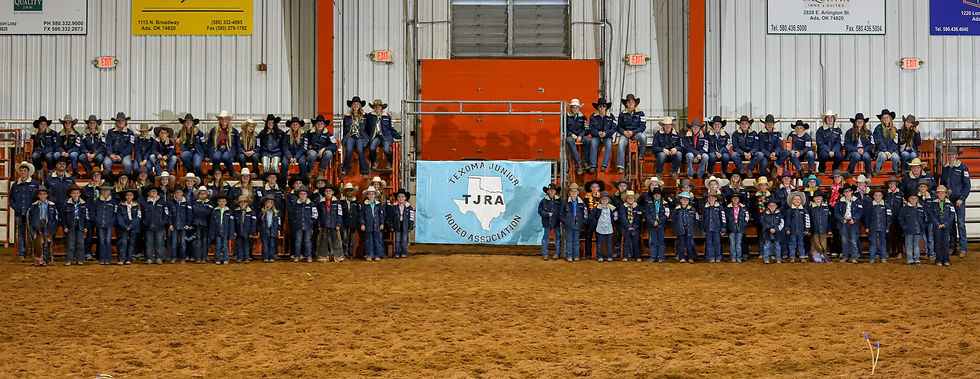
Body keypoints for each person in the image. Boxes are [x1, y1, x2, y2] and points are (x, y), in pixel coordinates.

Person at [940, 148, 971, 258]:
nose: (951, 156)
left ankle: (963, 248)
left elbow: (967, 186)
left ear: (956, 155)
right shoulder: (945, 168)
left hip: (959, 200)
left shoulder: (963, 168)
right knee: (951, 224)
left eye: (953, 154)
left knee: (961, 224)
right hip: (949, 200)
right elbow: (942, 184)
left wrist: (961, 198)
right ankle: (953, 246)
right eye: (949, 154)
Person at [11, 162, 40, 261]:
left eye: (25, 170)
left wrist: (34, 208)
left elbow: (40, 196)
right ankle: (22, 253)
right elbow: (11, 198)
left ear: (28, 172)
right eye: (21, 170)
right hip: (19, 212)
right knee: (21, 233)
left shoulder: (35, 184)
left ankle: (34, 252)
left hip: (31, 213)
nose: (23, 172)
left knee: (33, 233)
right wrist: (15, 207)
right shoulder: (15, 185)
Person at [27, 186, 59, 266]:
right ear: (38, 195)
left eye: (44, 194)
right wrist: (35, 228)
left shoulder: (52, 205)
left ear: (47, 195)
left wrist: (52, 228)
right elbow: (31, 218)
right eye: (40, 194)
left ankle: (48, 258)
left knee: (48, 241)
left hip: (48, 224)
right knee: (38, 241)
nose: (42, 196)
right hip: (38, 224)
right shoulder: (34, 206)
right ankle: (40, 258)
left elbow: (55, 218)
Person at [365, 99, 401, 170]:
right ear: (373, 107)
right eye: (375, 106)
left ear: (381, 107)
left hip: (386, 137)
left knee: (386, 150)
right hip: (375, 136)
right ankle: (374, 161)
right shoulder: (370, 116)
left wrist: (398, 136)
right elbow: (367, 128)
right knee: (372, 148)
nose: (377, 108)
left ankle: (390, 161)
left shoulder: (387, 116)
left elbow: (391, 128)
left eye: (379, 106)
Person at [616, 94, 646, 174]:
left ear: (635, 103)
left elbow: (642, 127)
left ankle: (641, 155)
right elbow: (619, 127)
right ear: (626, 104)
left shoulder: (641, 113)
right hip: (625, 134)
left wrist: (633, 132)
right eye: (629, 102)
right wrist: (623, 132)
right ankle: (620, 166)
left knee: (643, 137)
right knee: (620, 143)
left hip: (636, 133)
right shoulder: (622, 114)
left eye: (632, 102)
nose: (630, 103)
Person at [342, 96, 370, 177]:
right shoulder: (347, 116)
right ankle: (345, 169)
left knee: (360, 150)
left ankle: (364, 171)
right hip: (350, 136)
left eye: (357, 104)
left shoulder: (365, 116)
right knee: (349, 150)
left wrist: (367, 139)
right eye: (354, 104)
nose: (356, 106)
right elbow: (345, 129)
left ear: (360, 106)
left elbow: (368, 128)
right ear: (352, 106)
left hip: (360, 136)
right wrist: (344, 139)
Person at [835, 184, 863, 263]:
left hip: (853, 222)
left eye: (849, 191)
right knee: (844, 240)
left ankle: (854, 257)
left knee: (853, 240)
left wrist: (854, 219)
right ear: (843, 193)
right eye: (845, 192)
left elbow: (860, 211)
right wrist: (842, 219)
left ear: (852, 191)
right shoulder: (840, 202)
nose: (847, 193)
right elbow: (836, 212)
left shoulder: (857, 200)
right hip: (844, 222)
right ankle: (845, 256)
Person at [61, 185, 88, 265]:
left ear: (80, 194)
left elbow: (86, 217)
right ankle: (69, 260)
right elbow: (63, 217)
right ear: (70, 194)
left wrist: (86, 226)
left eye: (77, 193)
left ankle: (80, 259)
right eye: (73, 193)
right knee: (70, 243)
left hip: (81, 224)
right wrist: (65, 226)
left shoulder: (84, 204)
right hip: (70, 225)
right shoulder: (66, 204)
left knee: (80, 243)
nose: (75, 195)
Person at [587, 98, 616, 173]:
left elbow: (614, 128)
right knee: (593, 143)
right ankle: (593, 165)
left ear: (606, 107)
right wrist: (597, 133)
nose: (602, 108)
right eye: (600, 106)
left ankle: (604, 165)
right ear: (597, 107)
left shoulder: (611, 116)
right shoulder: (593, 117)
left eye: (604, 106)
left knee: (609, 144)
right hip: (596, 136)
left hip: (607, 136)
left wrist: (606, 133)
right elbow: (590, 129)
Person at [316, 184, 344, 262]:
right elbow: (318, 215)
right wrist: (319, 225)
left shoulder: (337, 202)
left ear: (333, 192)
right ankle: (323, 255)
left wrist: (338, 224)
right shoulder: (321, 203)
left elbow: (340, 214)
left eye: (330, 191)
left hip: (334, 223)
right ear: (324, 192)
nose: (328, 192)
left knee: (335, 239)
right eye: (326, 191)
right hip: (324, 223)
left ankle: (337, 255)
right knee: (323, 239)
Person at [899, 193, 927, 265]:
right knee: (909, 245)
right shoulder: (904, 209)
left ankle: (917, 259)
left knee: (917, 245)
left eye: (915, 198)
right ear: (909, 199)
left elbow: (925, 219)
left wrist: (922, 227)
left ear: (918, 199)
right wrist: (904, 227)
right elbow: (901, 219)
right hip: (908, 230)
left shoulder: (921, 208)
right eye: (912, 198)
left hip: (918, 230)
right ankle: (910, 259)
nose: (914, 200)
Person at [641, 188, 668, 263]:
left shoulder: (665, 204)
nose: (657, 196)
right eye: (655, 194)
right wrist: (652, 222)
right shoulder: (649, 204)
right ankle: (653, 257)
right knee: (653, 241)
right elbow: (647, 214)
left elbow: (666, 214)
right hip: (652, 225)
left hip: (661, 225)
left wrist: (658, 221)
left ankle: (661, 257)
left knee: (661, 241)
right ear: (653, 195)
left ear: (661, 195)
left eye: (658, 194)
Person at [208, 110, 238, 175]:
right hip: (218, 149)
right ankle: (217, 173)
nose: (224, 121)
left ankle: (231, 172)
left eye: (225, 119)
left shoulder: (234, 131)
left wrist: (237, 153)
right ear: (220, 120)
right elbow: (209, 142)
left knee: (225, 157)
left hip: (229, 149)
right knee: (216, 157)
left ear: (228, 120)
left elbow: (237, 143)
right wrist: (208, 154)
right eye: (222, 119)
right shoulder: (214, 130)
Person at [92, 185, 116, 265]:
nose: (105, 192)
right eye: (103, 190)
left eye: (107, 190)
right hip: (99, 224)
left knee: (108, 241)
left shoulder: (113, 202)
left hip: (109, 224)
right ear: (101, 191)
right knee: (101, 241)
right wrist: (96, 219)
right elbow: (93, 211)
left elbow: (115, 213)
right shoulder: (97, 201)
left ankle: (108, 259)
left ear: (110, 191)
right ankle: (102, 259)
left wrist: (112, 221)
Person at [116, 188, 141, 265]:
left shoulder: (137, 206)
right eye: (127, 195)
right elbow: (119, 217)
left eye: (130, 195)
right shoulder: (120, 206)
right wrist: (124, 226)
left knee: (131, 242)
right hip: (123, 226)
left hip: (134, 226)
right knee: (123, 242)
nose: (129, 197)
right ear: (125, 196)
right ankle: (122, 259)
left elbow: (138, 217)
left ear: (133, 196)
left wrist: (131, 226)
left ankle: (129, 259)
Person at [872, 109, 901, 176]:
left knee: (895, 157)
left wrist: (890, 151)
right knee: (882, 156)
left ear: (890, 118)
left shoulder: (895, 129)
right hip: (881, 150)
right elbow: (878, 141)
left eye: (887, 117)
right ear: (882, 119)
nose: (886, 119)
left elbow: (895, 142)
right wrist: (885, 151)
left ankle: (896, 170)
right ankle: (876, 170)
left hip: (892, 150)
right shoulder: (878, 129)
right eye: (884, 118)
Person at [167, 186, 192, 263]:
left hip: (183, 225)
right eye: (176, 192)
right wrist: (170, 224)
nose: (178, 193)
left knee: (182, 243)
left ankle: (182, 258)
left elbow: (189, 214)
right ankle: (173, 258)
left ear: (182, 193)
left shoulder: (187, 203)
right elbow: (169, 214)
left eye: (180, 192)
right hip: (174, 225)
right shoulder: (171, 203)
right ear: (174, 193)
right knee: (173, 242)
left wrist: (188, 224)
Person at [359, 186, 385, 261]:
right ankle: (369, 254)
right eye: (369, 194)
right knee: (368, 240)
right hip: (368, 225)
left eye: (372, 194)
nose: (371, 196)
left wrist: (382, 223)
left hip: (376, 225)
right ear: (367, 195)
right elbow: (361, 215)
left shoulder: (378, 205)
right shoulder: (364, 205)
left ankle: (377, 254)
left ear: (375, 195)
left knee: (377, 240)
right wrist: (362, 224)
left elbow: (381, 215)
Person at [562, 183, 586, 262]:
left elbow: (585, 213)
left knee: (576, 240)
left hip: (578, 224)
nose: (574, 193)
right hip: (569, 224)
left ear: (578, 192)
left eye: (575, 191)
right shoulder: (565, 203)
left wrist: (583, 221)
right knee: (569, 240)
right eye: (572, 191)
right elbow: (562, 213)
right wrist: (565, 221)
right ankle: (569, 255)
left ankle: (576, 255)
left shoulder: (582, 203)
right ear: (569, 193)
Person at [866, 189, 892, 263]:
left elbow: (889, 217)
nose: (878, 197)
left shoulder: (886, 205)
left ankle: (883, 257)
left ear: (882, 196)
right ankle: (872, 258)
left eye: (879, 195)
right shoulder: (870, 205)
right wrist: (867, 227)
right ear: (873, 196)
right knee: (873, 243)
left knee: (883, 243)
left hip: (883, 227)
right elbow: (867, 217)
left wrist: (888, 226)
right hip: (873, 227)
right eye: (876, 195)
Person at [564, 99, 589, 174]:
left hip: (581, 135)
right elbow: (562, 128)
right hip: (570, 136)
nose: (575, 109)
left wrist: (580, 136)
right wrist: (571, 134)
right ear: (570, 108)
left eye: (576, 107)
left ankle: (585, 161)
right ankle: (579, 163)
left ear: (579, 108)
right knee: (569, 140)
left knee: (589, 140)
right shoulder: (566, 116)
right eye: (573, 107)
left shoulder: (583, 117)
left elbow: (586, 129)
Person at [590, 192, 617, 262]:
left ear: (608, 200)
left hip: (609, 228)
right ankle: (600, 256)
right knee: (599, 243)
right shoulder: (597, 208)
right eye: (603, 199)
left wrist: (613, 222)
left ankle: (610, 256)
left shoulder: (612, 208)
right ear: (600, 200)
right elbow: (592, 217)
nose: (605, 200)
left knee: (609, 243)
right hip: (600, 228)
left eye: (606, 199)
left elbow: (615, 216)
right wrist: (595, 224)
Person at [672, 192, 699, 263]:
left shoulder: (692, 210)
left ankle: (690, 257)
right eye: (683, 199)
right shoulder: (676, 210)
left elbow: (696, 219)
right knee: (681, 244)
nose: (685, 201)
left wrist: (695, 227)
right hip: (680, 228)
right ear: (680, 200)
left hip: (690, 228)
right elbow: (674, 220)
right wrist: (676, 227)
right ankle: (682, 257)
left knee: (689, 244)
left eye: (686, 199)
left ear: (689, 201)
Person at [916, 178, 938, 260]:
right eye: (921, 186)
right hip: (919, 221)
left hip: (929, 220)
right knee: (921, 237)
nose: (922, 188)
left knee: (929, 238)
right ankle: (923, 252)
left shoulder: (932, 197)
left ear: (927, 187)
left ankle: (930, 253)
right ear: (918, 188)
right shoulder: (916, 197)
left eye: (924, 186)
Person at [190, 186, 213, 263]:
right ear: (198, 195)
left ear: (207, 195)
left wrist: (200, 211)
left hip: (206, 224)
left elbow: (209, 212)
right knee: (198, 240)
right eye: (201, 194)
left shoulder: (210, 203)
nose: (202, 195)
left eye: (204, 193)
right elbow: (195, 211)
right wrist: (204, 210)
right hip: (198, 223)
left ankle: (204, 257)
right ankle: (198, 257)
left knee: (205, 240)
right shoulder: (195, 203)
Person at [784, 191, 809, 262]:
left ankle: (802, 256)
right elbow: (787, 220)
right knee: (792, 244)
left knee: (801, 243)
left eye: (798, 199)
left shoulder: (804, 210)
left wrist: (807, 229)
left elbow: (807, 220)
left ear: (801, 201)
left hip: (801, 231)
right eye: (795, 199)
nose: (797, 201)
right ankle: (792, 257)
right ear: (792, 201)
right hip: (793, 231)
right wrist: (787, 228)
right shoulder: (789, 211)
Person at [582, 180, 605, 259]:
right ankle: (588, 254)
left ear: (599, 188)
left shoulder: (602, 198)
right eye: (593, 187)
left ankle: (599, 255)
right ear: (590, 188)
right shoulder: (586, 198)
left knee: (599, 238)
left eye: (596, 187)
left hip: (599, 220)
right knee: (588, 237)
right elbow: (584, 209)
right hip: (589, 221)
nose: (595, 189)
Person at [934, 185, 956, 266]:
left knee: (946, 242)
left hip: (946, 226)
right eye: (939, 193)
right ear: (937, 194)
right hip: (937, 226)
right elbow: (931, 215)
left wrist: (946, 223)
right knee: (938, 242)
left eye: (943, 193)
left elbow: (952, 215)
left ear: (946, 194)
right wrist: (937, 223)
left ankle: (946, 258)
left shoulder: (950, 204)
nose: (941, 194)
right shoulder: (933, 203)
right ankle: (938, 259)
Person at [230, 195, 256, 263]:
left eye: (244, 202)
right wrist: (234, 231)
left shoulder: (251, 212)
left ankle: (247, 257)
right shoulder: (235, 212)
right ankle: (239, 257)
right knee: (239, 245)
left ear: (247, 203)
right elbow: (233, 223)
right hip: (239, 231)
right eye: (241, 202)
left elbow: (253, 223)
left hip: (247, 232)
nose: (243, 204)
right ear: (238, 204)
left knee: (247, 245)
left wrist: (251, 232)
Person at [209, 194, 234, 265]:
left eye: (223, 201)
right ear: (217, 202)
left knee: (225, 246)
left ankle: (226, 259)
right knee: (218, 245)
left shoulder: (229, 212)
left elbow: (231, 224)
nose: (221, 203)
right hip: (217, 231)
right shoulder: (214, 211)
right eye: (220, 201)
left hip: (225, 231)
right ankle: (217, 259)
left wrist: (231, 234)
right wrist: (212, 233)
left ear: (226, 202)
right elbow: (212, 224)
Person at [701, 190, 726, 263]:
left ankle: (718, 256)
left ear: (716, 198)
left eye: (712, 197)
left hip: (717, 228)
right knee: (709, 243)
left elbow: (723, 218)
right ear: (707, 199)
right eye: (709, 198)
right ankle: (711, 257)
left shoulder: (720, 207)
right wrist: (702, 229)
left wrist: (723, 228)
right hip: (708, 228)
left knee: (717, 242)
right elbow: (703, 219)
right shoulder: (705, 208)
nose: (711, 199)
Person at [389, 189, 414, 258]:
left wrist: (411, 225)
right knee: (397, 240)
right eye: (399, 197)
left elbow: (411, 217)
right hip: (397, 225)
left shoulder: (409, 207)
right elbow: (391, 217)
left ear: (405, 198)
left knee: (404, 240)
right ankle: (397, 252)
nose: (401, 198)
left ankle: (404, 252)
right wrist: (391, 225)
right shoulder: (394, 206)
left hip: (405, 225)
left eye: (402, 197)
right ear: (397, 198)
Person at [339, 183, 361, 260]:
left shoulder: (356, 201)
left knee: (352, 238)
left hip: (354, 222)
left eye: (350, 191)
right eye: (347, 191)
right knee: (344, 237)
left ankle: (350, 253)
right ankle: (345, 253)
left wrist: (359, 221)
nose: (349, 192)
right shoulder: (341, 201)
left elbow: (359, 212)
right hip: (344, 222)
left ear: (353, 192)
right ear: (345, 192)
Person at [808, 190, 831, 262]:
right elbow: (808, 219)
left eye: (819, 197)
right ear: (813, 199)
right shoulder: (810, 208)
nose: (818, 198)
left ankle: (823, 256)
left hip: (824, 229)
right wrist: (808, 229)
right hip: (814, 229)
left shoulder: (826, 208)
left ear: (822, 198)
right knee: (816, 243)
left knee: (823, 243)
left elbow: (829, 220)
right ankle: (817, 258)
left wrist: (829, 230)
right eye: (816, 197)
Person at [257, 196, 282, 263]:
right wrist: (259, 230)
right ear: (265, 203)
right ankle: (265, 257)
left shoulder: (276, 212)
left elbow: (279, 222)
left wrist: (279, 230)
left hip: (273, 230)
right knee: (265, 244)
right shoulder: (262, 212)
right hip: (264, 230)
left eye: (271, 203)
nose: (270, 204)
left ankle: (272, 257)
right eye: (268, 202)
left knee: (272, 244)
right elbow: (259, 222)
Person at [726, 192, 749, 262]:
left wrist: (744, 224)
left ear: (739, 199)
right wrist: (728, 226)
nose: (735, 199)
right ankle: (733, 257)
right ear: (731, 199)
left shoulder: (743, 208)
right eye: (734, 198)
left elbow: (747, 217)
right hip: (731, 227)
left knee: (739, 243)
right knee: (732, 243)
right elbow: (726, 218)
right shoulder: (727, 208)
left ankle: (738, 257)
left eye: (737, 198)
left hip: (740, 227)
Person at [619, 191, 641, 262]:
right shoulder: (623, 207)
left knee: (635, 242)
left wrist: (634, 226)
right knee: (626, 242)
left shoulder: (637, 207)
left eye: (632, 198)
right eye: (629, 198)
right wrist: (628, 226)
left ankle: (637, 256)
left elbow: (638, 218)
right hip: (626, 228)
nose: (630, 199)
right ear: (626, 199)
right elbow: (623, 217)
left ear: (634, 198)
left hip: (635, 228)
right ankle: (625, 256)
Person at [760, 199, 783, 264]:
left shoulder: (779, 213)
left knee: (777, 246)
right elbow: (763, 222)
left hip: (777, 233)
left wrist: (776, 229)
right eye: (770, 205)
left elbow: (782, 222)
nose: (772, 207)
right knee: (767, 246)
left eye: (774, 205)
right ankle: (766, 258)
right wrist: (769, 228)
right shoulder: (764, 213)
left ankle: (778, 258)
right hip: (767, 232)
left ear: (776, 206)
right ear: (767, 206)